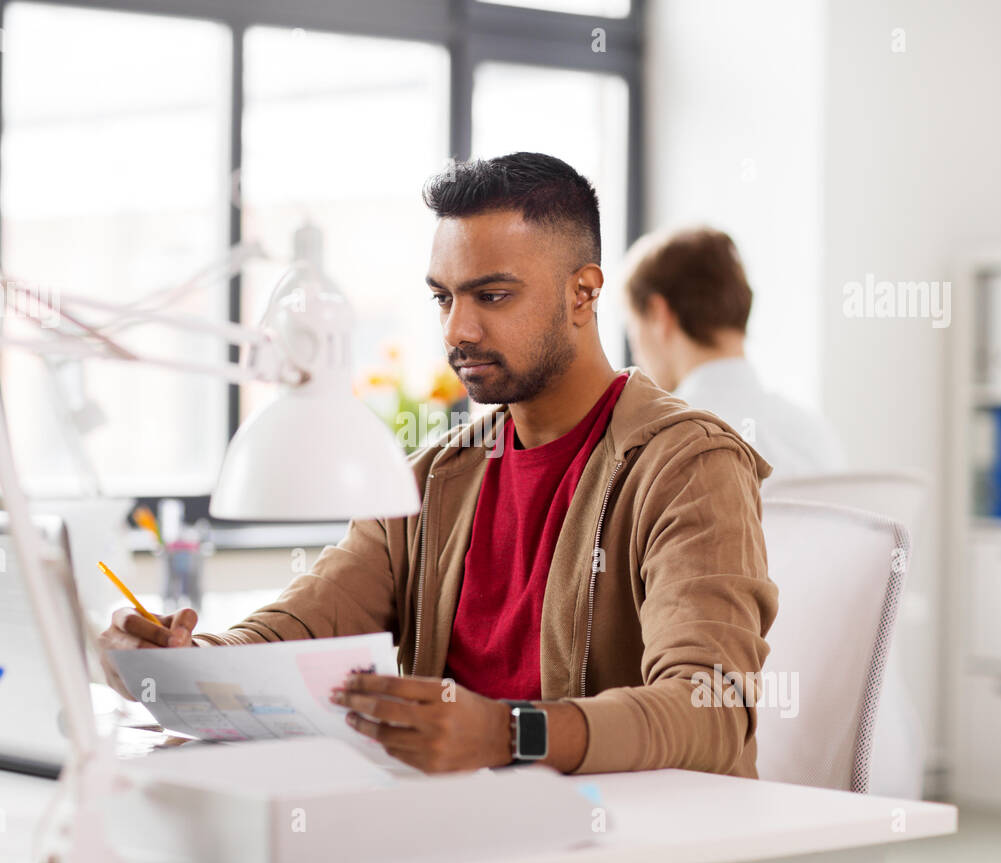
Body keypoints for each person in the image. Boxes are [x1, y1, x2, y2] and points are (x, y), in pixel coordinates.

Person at [97, 154, 778, 777]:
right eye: (443, 297)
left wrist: (512, 734)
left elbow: (709, 708)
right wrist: (184, 666)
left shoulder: (689, 465)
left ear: (583, 293)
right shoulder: (434, 478)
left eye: (492, 295)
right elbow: (303, 623)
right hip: (461, 831)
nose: (457, 329)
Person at [623, 227, 846, 478]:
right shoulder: (815, 437)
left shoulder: (653, 442)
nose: (637, 356)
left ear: (657, 314)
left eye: (632, 329)